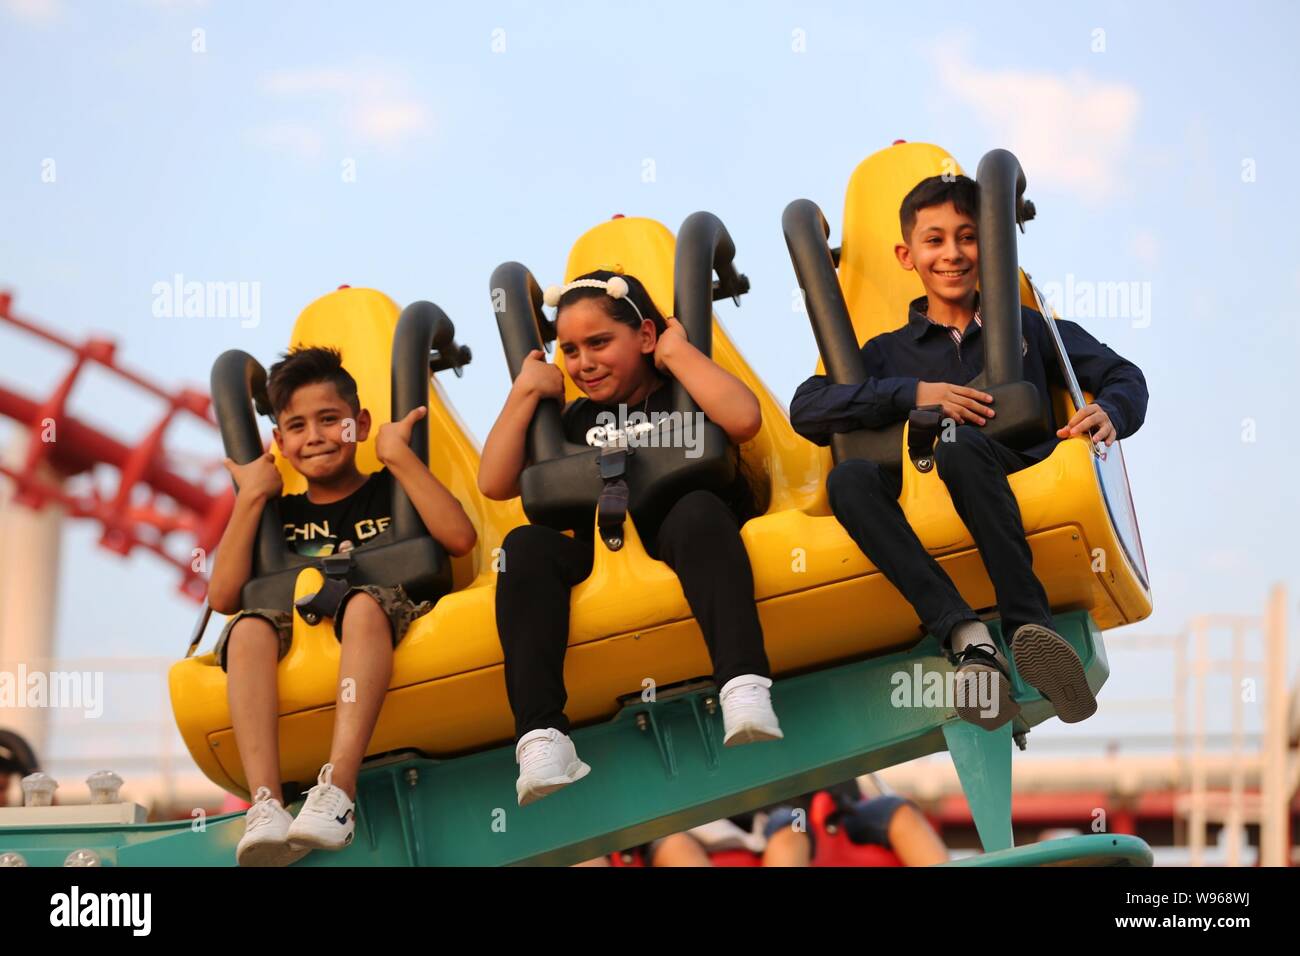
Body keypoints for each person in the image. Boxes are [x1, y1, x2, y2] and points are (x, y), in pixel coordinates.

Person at [790, 174, 1148, 730]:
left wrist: (1114, 411)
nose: (952, 254)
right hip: (923, 490)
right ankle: (968, 638)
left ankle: (1031, 629)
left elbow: (1125, 375)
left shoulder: (1028, 328)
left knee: (960, 444)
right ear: (907, 255)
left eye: (967, 237)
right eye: (935, 241)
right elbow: (808, 409)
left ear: (990, 245)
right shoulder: (887, 353)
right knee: (848, 481)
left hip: (1009, 470)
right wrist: (913, 393)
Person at [479, 270, 781, 806]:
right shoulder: (568, 421)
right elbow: (494, 482)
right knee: (522, 549)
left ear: (643, 336)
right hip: (601, 546)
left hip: (680, 532)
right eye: (569, 350)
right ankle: (542, 736)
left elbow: (744, 419)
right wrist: (525, 392)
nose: (584, 362)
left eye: (599, 343)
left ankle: (743, 685)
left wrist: (677, 353)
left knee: (697, 511)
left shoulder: (681, 394)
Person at [206, 346, 476, 865]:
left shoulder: (388, 494)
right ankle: (264, 804)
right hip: (300, 627)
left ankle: (338, 791)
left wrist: (399, 455)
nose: (316, 436)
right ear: (280, 443)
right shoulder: (276, 519)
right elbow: (221, 597)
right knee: (246, 630)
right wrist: (250, 497)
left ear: (360, 424)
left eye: (330, 420)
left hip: (373, 615)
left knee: (360, 606)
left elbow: (459, 538)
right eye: (299, 426)